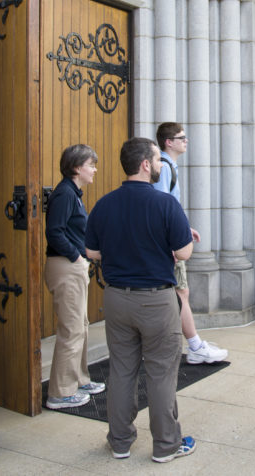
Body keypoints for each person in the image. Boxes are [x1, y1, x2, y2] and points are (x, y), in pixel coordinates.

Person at [85, 138, 197, 463]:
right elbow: (183, 252)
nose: (161, 164)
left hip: (117, 299)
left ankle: (119, 442)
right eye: (157, 159)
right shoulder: (165, 204)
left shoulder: (104, 204)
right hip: (156, 300)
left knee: (121, 371)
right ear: (146, 165)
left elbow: (91, 252)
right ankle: (166, 446)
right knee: (161, 373)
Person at [154, 122, 227, 364]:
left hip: (171, 237)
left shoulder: (168, 166)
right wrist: (173, 242)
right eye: (181, 137)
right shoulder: (164, 167)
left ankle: (182, 344)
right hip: (168, 243)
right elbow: (161, 207)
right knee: (181, 292)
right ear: (169, 142)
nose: (186, 140)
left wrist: (184, 228)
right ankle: (195, 346)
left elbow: (169, 207)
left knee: (177, 292)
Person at [44, 144, 107, 409]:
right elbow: (54, 232)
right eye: (91, 164)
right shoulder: (64, 194)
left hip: (72, 266)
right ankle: (60, 393)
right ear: (76, 167)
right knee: (71, 329)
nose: (94, 169)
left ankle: (79, 379)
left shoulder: (72, 193)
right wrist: (77, 257)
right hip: (65, 267)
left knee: (81, 325)